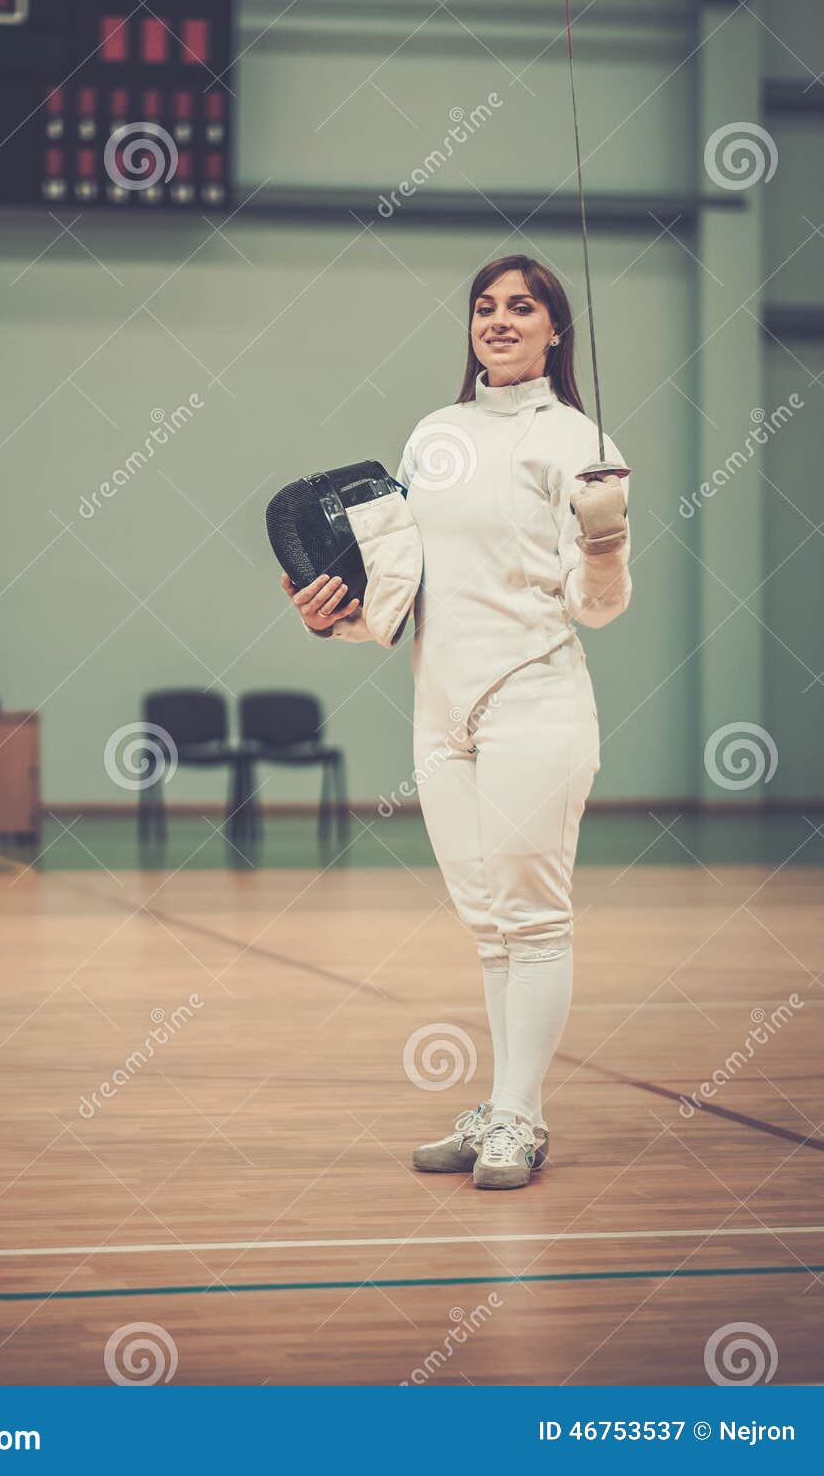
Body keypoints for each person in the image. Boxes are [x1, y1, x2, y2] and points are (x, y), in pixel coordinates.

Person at [281, 254, 632, 1190]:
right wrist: (333, 616)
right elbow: (395, 591)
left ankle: (519, 1117)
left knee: (532, 916)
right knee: (487, 925)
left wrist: (604, 540)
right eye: (484, 307)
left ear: (555, 330)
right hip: (439, 707)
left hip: (534, 697)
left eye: (522, 307)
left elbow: (595, 608)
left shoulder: (575, 439)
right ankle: (502, 1107)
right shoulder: (433, 434)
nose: (500, 320)